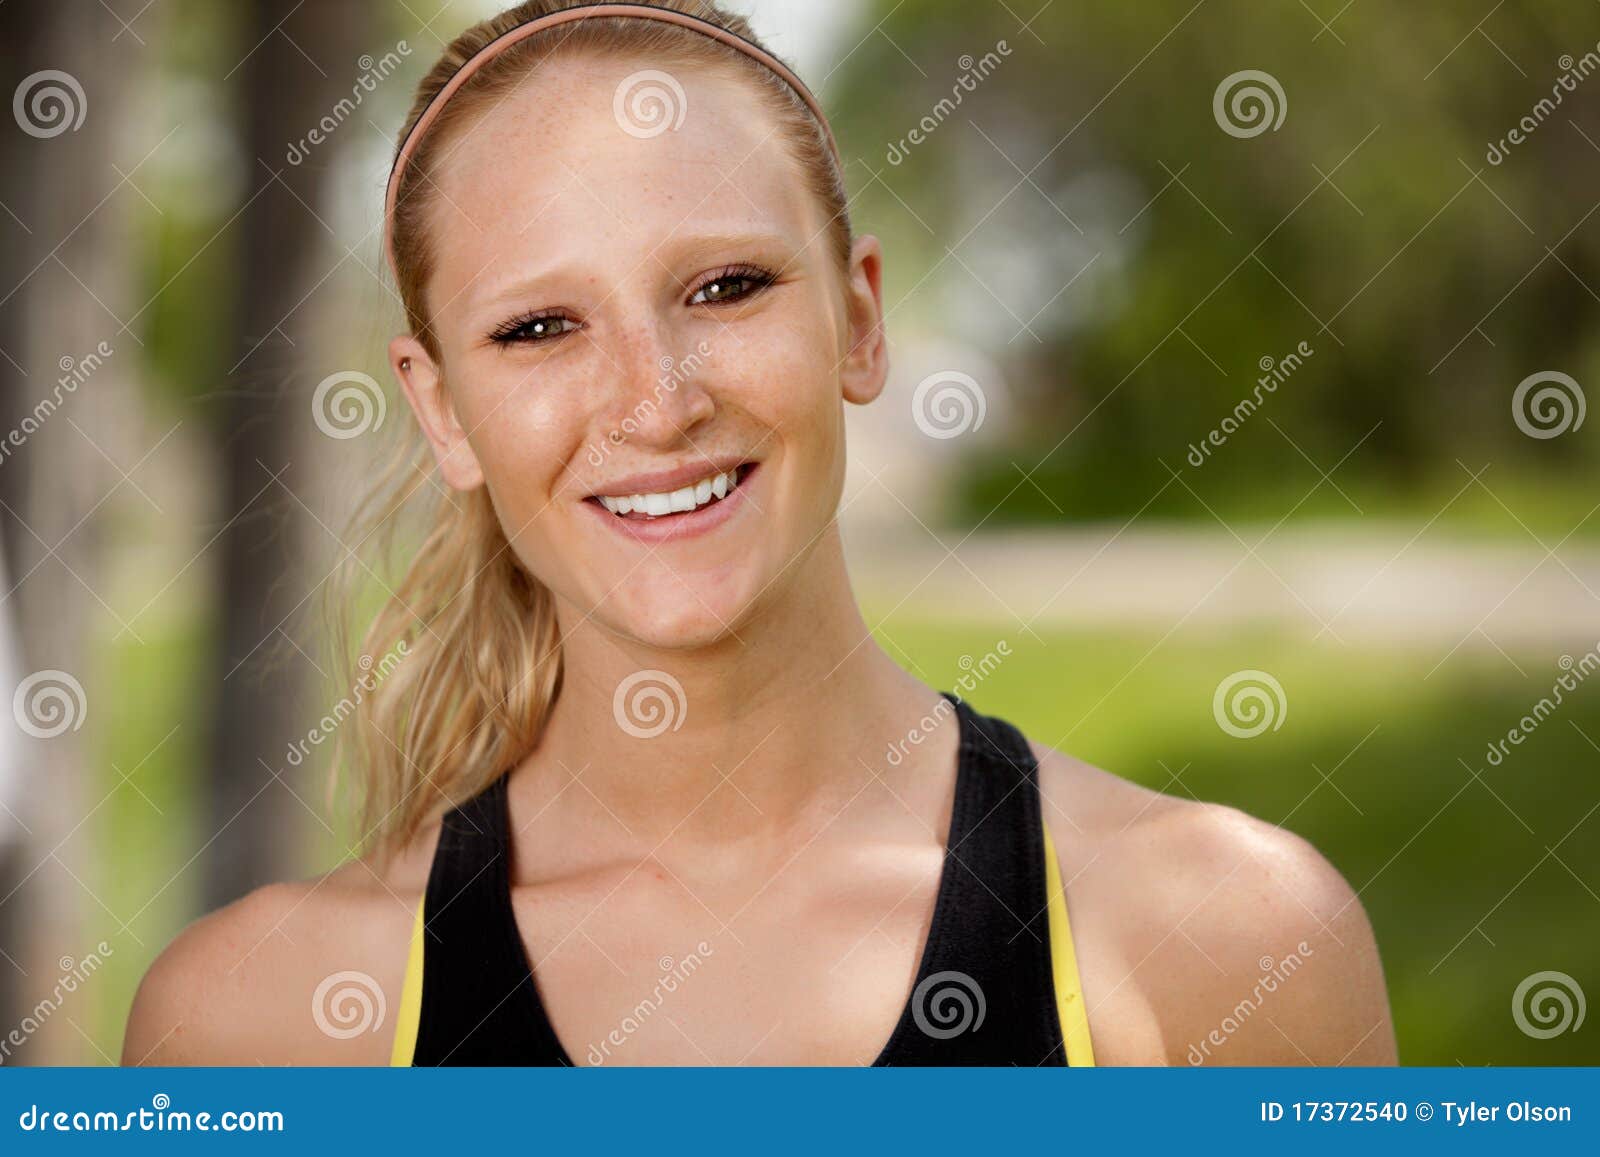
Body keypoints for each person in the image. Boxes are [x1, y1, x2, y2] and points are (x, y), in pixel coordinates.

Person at [122, 0, 1396, 1067]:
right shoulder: (254, 1021)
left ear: (859, 320)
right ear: (443, 410)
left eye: (726, 287)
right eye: (539, 328)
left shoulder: (1222, 936)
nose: (657, 402)